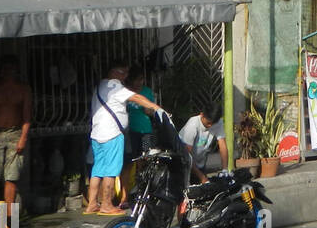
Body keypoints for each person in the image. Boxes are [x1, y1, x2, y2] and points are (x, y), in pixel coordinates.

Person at [88, 62, 164, 214]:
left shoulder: (100, 86)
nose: (125, 76)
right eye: (123, 72)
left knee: (98, 169)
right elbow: (136, 97)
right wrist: (156, 108)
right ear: (114, 72)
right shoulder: (115, 86)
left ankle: (92, 204)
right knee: (111, 170)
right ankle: (106, 205)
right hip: (111, 134)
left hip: (97, 133)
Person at [0, 55, 32, 220]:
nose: (9, 73)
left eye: (12, 70)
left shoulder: (23, 90)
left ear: (16, 71)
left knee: (12, 177)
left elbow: (27, 116)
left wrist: (23, 137)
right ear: (1, 72)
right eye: (5, 70)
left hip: (15, 133)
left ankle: (9, 217)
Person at [180, 105, 228, 184]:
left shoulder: (218, 122)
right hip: (184, 166)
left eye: (213, 124)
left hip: (200, 165)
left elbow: (222, 146)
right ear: (202, 115)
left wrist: (225, 170)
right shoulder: (192, 125)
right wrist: (202, 177)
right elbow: (186, 156)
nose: (210, 126)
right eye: (208, 123)